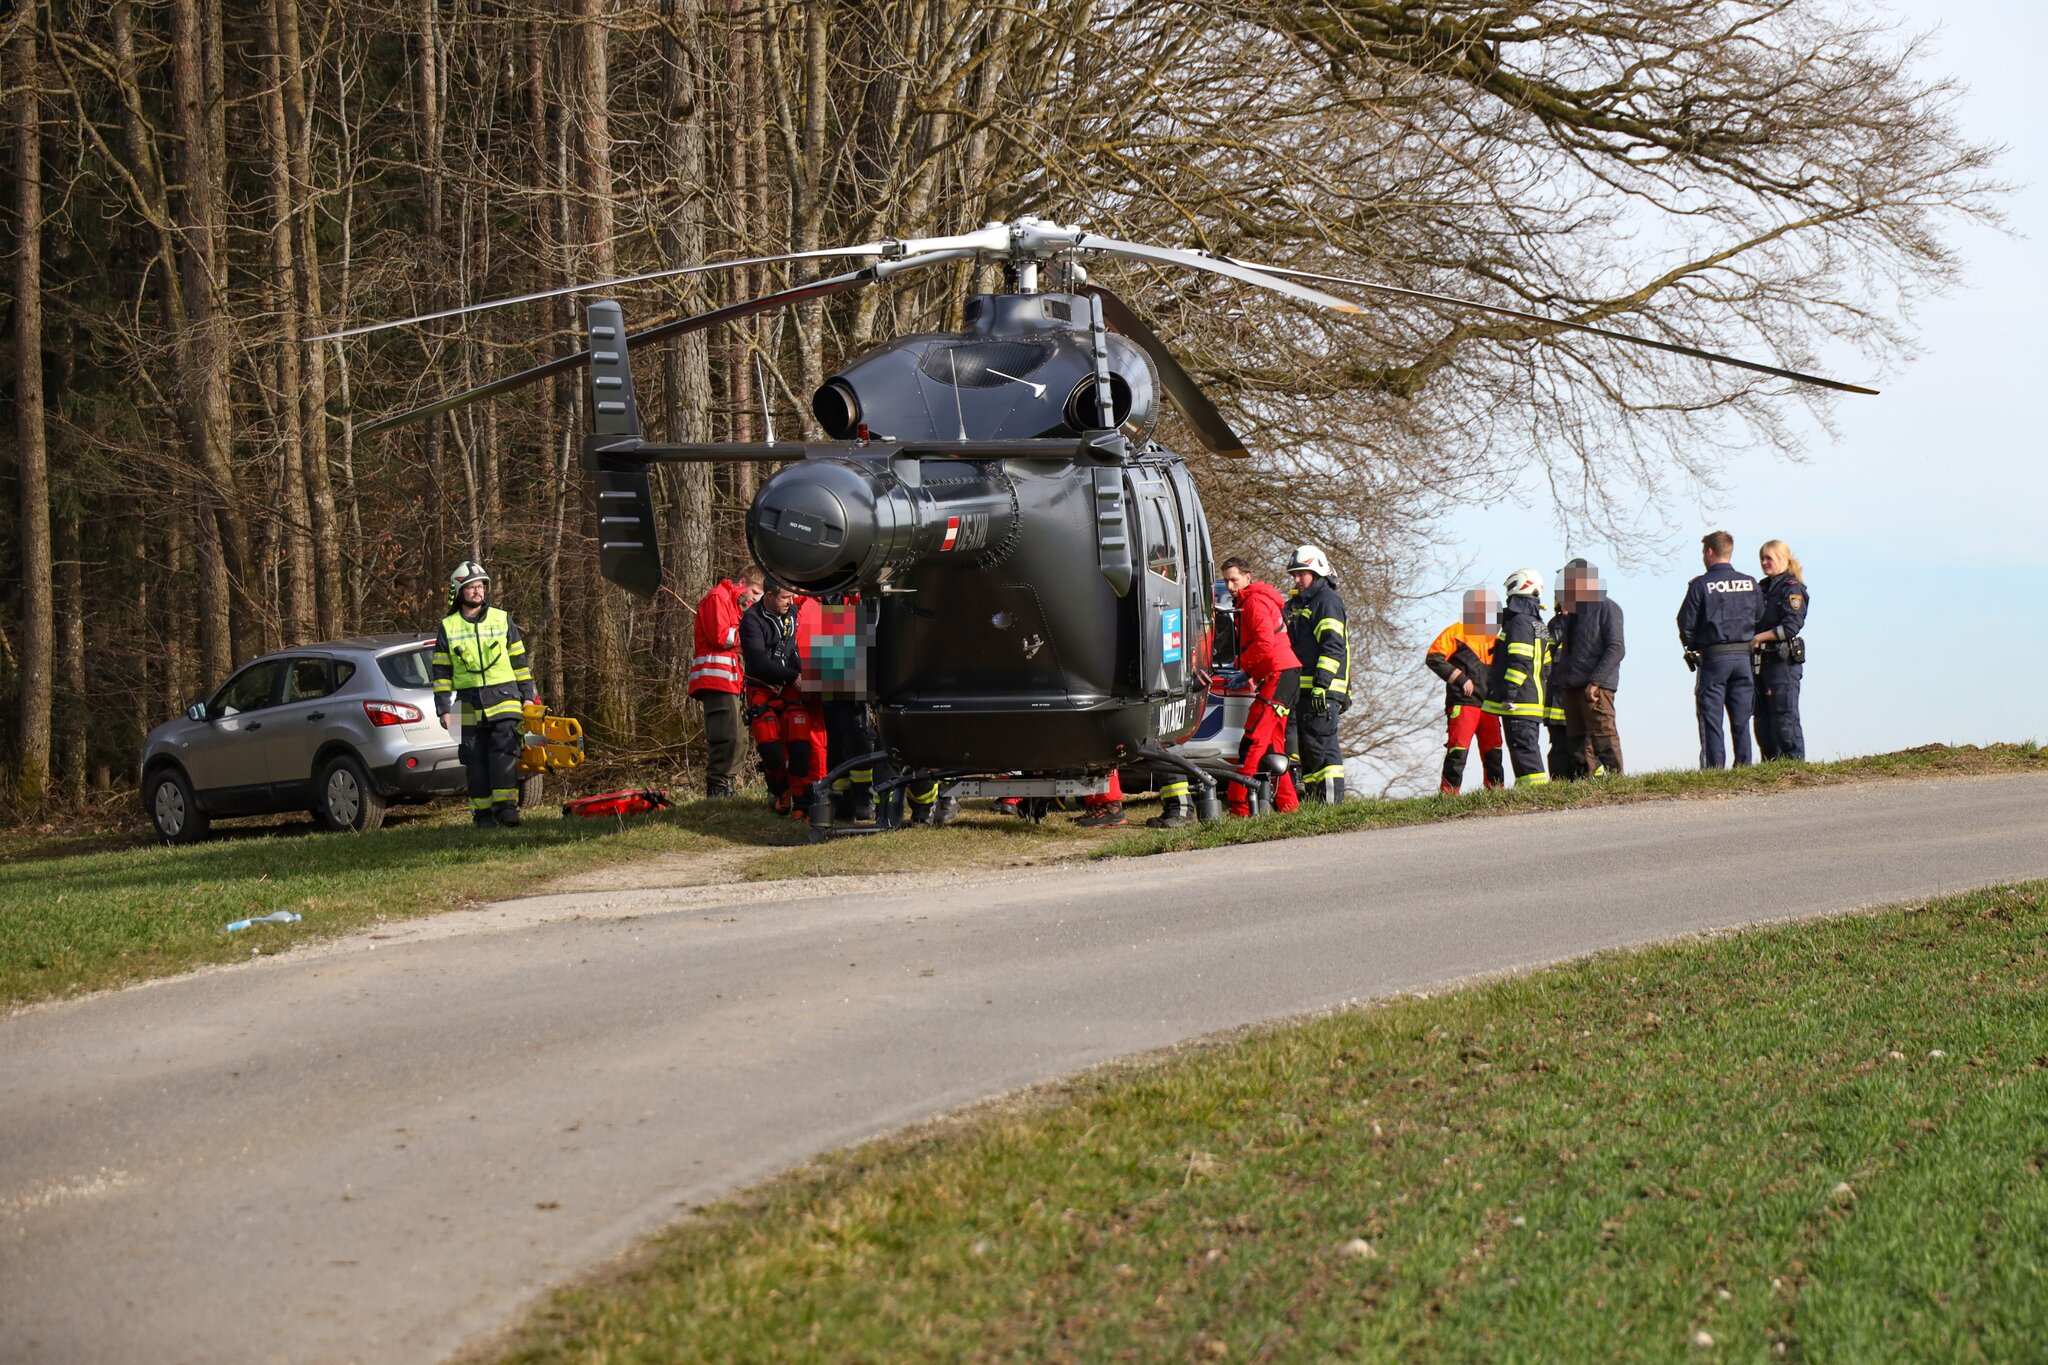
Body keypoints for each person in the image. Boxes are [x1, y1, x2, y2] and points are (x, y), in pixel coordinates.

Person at [432, 560, 538, 827]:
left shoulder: (502, 619)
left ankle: (507, 810)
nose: (478, 591)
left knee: (504, 754)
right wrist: (443, 709)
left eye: (481, 586)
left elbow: (520, 662)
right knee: (472, 759)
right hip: (465, 702)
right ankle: (482, 816)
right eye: (472, 587)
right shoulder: (448, 626)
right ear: (459, 592)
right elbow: (441, 672)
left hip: (504, 697)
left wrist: (527, 696)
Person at [1220, 556, 1301, 816]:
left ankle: (1239, 807)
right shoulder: (1254, 600)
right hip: (1282, 675)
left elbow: (1264, 644)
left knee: (1253, 740)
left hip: (1278, 675)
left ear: (1247, 577)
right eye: (1226, 581)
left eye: (1234, 580)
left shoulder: (1254, 602)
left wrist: (1240, 666)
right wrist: (1249, 671)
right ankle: (1289, 807)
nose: (1229, 586)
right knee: (1272, 746)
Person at [1677, 529, 1761, 768]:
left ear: (1709, 552)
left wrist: (1694, 646)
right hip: (1744, 658)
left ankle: (1714, 769)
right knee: (1742, 718)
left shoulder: (1701, 585)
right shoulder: (1750, 583)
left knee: (1711, 718)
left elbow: (1685, 622)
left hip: (1714, 659)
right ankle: (1744, 765)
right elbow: (1759, 616)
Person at [740, 578, 824, 818]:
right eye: (785, 597)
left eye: (791, 597)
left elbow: (794, 650)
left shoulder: (792, 612)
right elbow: (757, 662)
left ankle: (803, 805)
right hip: (762, 689)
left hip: (790, 689)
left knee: (800, 748)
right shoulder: (751, 620)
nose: (790, 602)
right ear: (769, 595)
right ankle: (780, 791)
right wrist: (793, 676)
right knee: (771, 751)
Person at [1283, 545, 1351, 803]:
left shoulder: (1326, 601)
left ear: (1317, 572)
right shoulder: (1305, 603)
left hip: (1322, 689)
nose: (1297, 580)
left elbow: (1332, 646)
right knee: (1309, 749)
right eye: (1294, 575)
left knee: (1322, 747)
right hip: (1305, 690)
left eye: (1302, 574)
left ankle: (1331, 805)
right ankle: (1315, 804)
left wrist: (1322, 684)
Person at [689, 566, 763, 798]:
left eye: (759, 595)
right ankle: (718, 786)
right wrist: (753, 636)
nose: (755, 599)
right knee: (727, 734)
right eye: (754, 592)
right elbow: (721, 636)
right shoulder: (717, 598)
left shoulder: (736, 604)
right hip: (716, 678)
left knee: (740, 737)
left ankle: (726, 785)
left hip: (732, 678)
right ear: (742, 583)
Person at [1424, 588, 1504, 795]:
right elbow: (1433, 657)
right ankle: (1449, 795)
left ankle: (1496, 794)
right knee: (1458, 750)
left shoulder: (1495, 636)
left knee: (1494, 752)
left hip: (1490, 704)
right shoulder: (1457, 631)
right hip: (1464, 702)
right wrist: (1459, 678)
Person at [1552, 558, 1626, 777]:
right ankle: (1584, 784)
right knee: (1576, 742)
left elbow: (1616, 648)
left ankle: (1617, 781)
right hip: (1571, 686)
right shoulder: (1572, 613)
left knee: (1603, 735)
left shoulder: (1608, 607)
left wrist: (1595, 682)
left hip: (1595, 688)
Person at [1481, 568, 1553, 787]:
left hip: (1519, 700)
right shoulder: (1538, 624)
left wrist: (1509, 695)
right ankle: (1529, 790)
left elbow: (1520, 661)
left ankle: (1536, 793)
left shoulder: (1519, 622)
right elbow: (1547, 666)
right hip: (1533, 697)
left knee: (1524, 750)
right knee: (1526, 748)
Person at [1752, 538, 1809, 761]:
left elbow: (1790, 626)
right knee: (1762, 719)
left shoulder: (1792, 588)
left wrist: (1760, 637)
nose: (1764, 563)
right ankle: (1770, 764)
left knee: (1784, 718)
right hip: (1760, 663)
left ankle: (1793, 764)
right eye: (1762, 558)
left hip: (1782, 662)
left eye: (1769, 558)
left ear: (1783, 559)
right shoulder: (1762, 588)